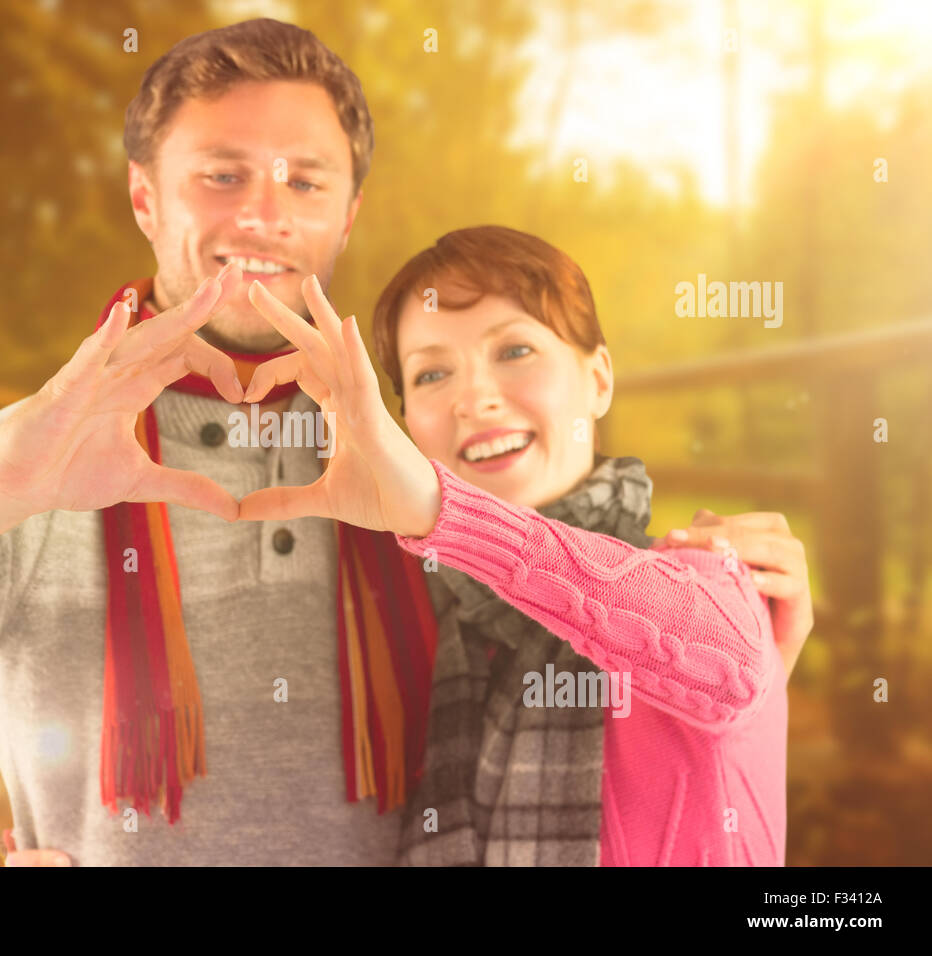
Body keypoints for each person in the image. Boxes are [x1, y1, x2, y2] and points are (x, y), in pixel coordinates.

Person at [0, 20, 811, 866]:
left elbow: (598, 632)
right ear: (143, 198)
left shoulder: (415, 460)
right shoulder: (47, 448)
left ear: (346, 216)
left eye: (305, 180)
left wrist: (741, 670)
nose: (265, 212)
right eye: (222, 174)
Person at [236, 225, 803, 864]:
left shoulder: (708, 574)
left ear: (598, 379)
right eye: (432, 374)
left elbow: (728, 661)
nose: (474, 398)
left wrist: (440, 511)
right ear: (409, 427)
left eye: (514, 352)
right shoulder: (420, 626)